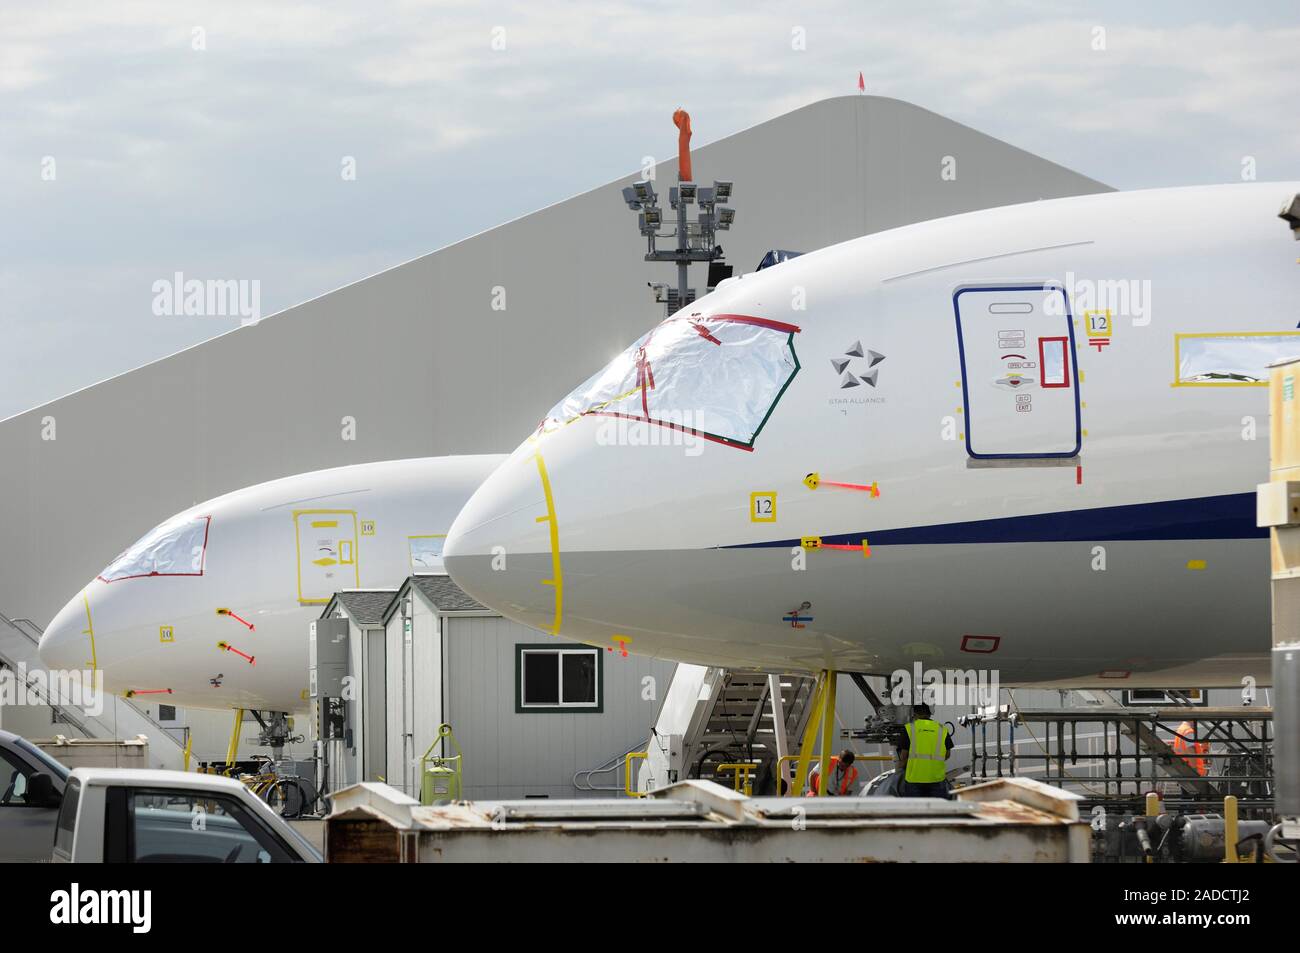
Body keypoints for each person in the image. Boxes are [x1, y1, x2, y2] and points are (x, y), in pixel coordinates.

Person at [896, 703, 953, 798]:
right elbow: (947, 754)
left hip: (914, 780)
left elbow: (903, 757)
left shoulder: (909, 728)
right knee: (938, 810)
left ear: (914, 714)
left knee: (918, 811)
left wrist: (898, 770)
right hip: (936, 779)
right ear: (929, 714)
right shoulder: (942, 729)